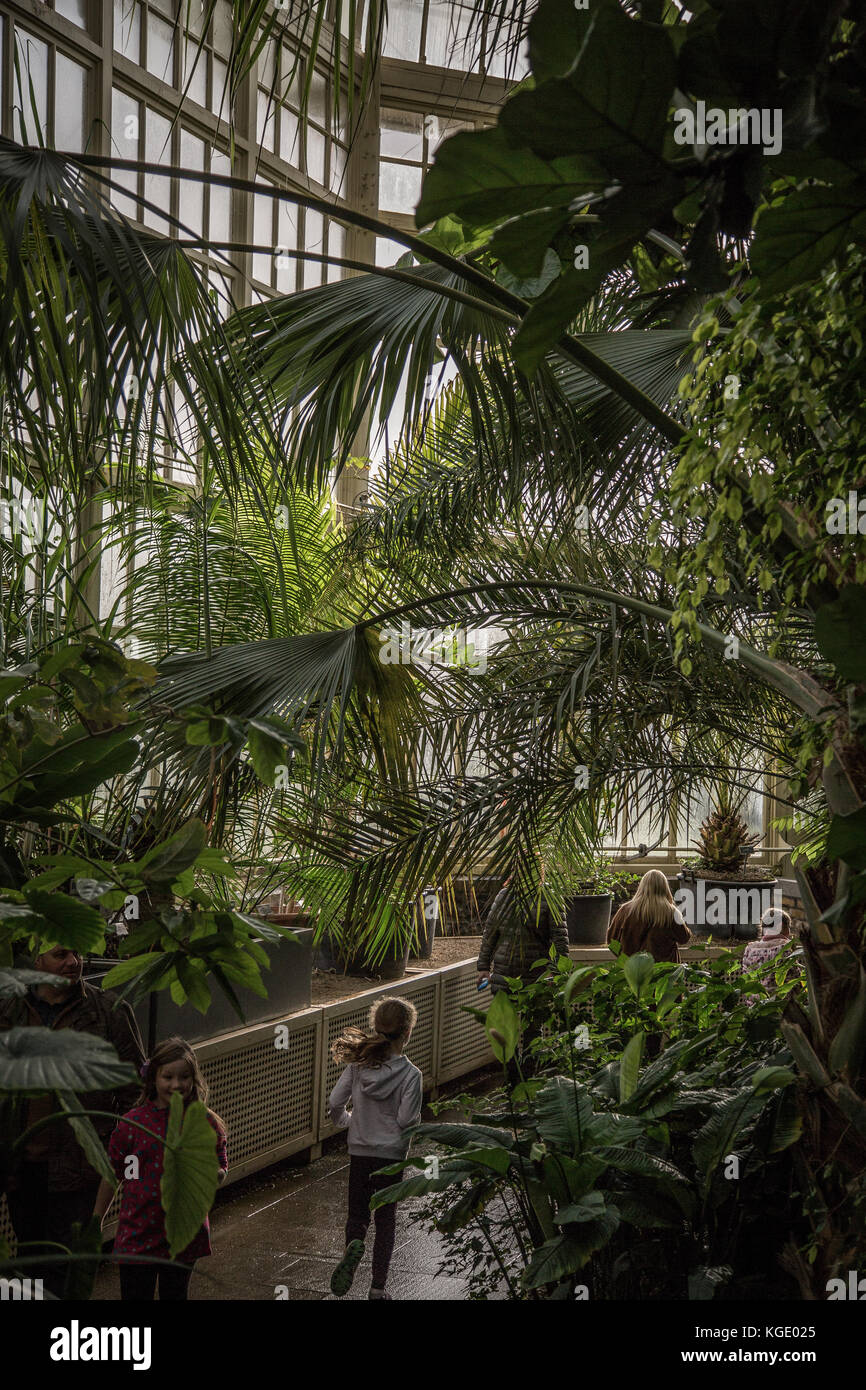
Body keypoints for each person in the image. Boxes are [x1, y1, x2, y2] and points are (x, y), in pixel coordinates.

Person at [0, 943, 145, 1297]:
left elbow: (135, 1092)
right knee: (29, 1260)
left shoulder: (107, 1012)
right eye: (60, 954)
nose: (73, 962)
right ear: (36, 959)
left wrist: (108, 1150)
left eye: (76, 954)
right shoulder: (10, 1009)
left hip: (80, 1166)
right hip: (22, 1164)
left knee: (68, 1264)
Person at [92, 1036, 227, 1301]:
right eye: (168, 1077)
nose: (176, 1084)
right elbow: (113, 1173)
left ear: (193, 1079)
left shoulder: (204, 1123)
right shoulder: (131, 1124)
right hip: (137, 1233)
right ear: (153, 1078)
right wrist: (97, 1218)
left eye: (184, 1077)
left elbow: (221, 1167)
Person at [328, 997, 422, 1301]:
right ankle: (378, 1287)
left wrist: (347, 1121)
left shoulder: (358, 1065)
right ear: (407, 1033)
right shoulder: (411, 1075)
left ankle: (352, 1248)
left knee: (357, 1215)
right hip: (390, 1156)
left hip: (360, 1151)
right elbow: (407, 1119)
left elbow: (334, 1102)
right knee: (385, 1220)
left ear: (375, 1028)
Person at [476, 878, 570, 994]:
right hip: (503, 977)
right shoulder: (503, 896)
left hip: (536, 979)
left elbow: (560, 940)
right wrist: (483, 967)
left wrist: (555, 973)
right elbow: (490, 934)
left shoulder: (550, 897)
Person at [607, 868, 691, 963]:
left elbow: (611, 940)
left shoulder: (625, 910)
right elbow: (684, 938)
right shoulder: (671, 912)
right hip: (665, 972)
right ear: (665, 887)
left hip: (634, 972)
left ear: (642, 886)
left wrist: (624, 959)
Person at [741, 908, 794, 973]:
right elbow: (794, 975)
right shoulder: (786, 947)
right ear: (780, 925)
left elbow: (745, 974)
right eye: (789, 927)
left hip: (754, 982)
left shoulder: (749, 948)